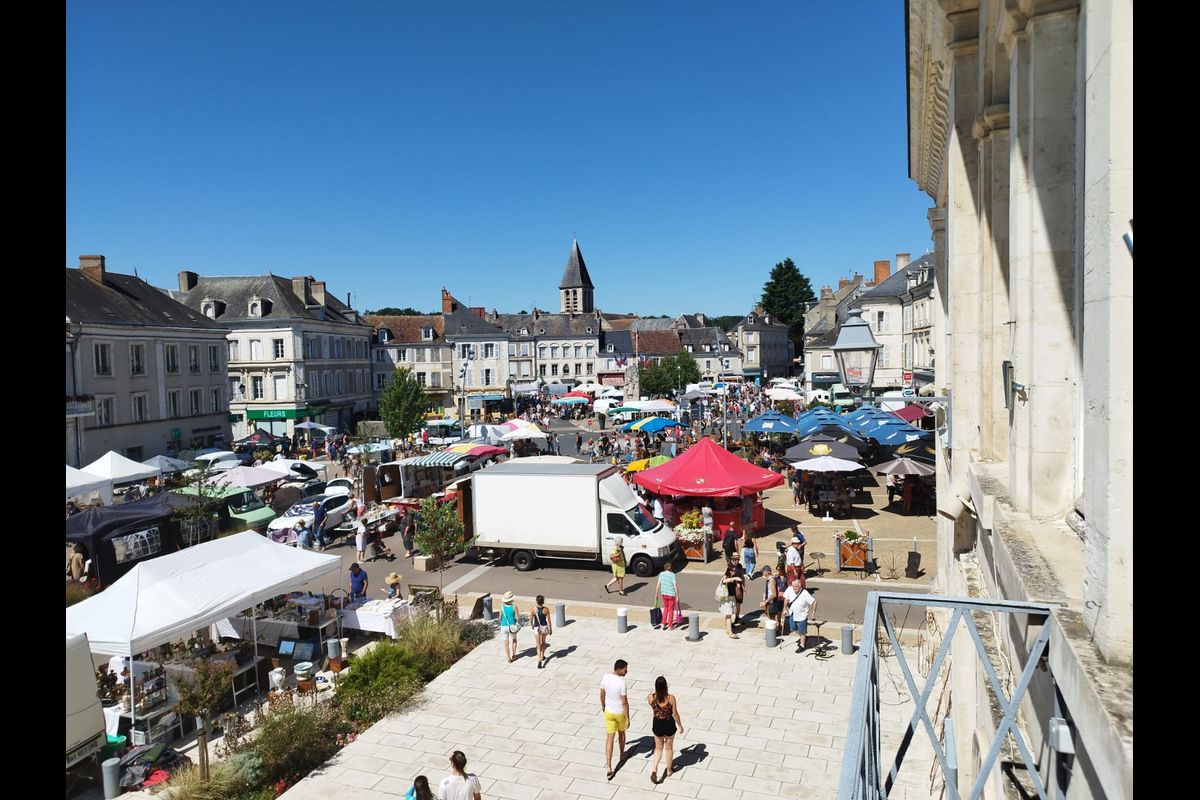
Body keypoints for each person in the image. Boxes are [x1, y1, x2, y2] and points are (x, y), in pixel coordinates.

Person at [647, 676, 684, 784]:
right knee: (669, 748)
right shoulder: (671, 698)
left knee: (658, 748)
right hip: (669, 724)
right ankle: (668, 770)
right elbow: (675, 713)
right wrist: (680, 725)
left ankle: (654, 769)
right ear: (666, 686)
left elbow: (653, 705)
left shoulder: (651, 698)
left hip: (657, 724)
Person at [600, 659, 630, 780]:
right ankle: (622, 754)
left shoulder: (605, 677)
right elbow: (624, 702)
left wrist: (603, 705)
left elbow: (602, 694)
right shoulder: (622, 682)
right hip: (619, 713)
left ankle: (609, 766)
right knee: (621, 734)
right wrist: (628, 717)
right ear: (618, 670)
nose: (626, 671)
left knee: (609, 738)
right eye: (625, 669)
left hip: (608, 712)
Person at [783, 579, 817, 650]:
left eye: (796, 586)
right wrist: (784, 609)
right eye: (793, 586)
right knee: (793, 628)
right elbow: (786, 599)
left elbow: (814, 602)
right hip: (792, 613)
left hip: (802, 615)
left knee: (802, 631)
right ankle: (803, 636)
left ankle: (802, 645)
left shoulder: (805, 593)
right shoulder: (789, 589)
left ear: (800, 586)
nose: (794, 588)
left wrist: (813, 613)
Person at [655, 561, 680, 632]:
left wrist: (656, 594)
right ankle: (670, 625)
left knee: (666, 608)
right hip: (671, 594)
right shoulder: (672, 575)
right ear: (671, 568)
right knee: (671, 609)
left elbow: (658, 584)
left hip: (664, 594)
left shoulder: (661, 574)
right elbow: (675, 585)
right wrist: (677, 595)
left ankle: (663, 623)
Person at [719, 565, 741, 639]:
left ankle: (728, 630)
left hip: (732, 598)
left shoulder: (733, 578)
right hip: (726, 599)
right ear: (729, 571)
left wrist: (738, 585)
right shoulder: (726, 577)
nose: (734, 572)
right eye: (733, 570)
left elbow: (736, 586)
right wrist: (734, 578)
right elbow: (724, 581)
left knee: (729, 614)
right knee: (728, 615)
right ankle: (731, 633)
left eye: (735, 570)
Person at [499, 591, 521, 664]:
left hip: (504, 626)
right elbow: (517, 618)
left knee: (506, 643)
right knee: (514, 640)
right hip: (512, 626)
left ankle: (508, 659)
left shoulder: (502, 607)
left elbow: (500, 617)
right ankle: (514, 655)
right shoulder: (514, 606)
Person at [531, 594, 552, 669]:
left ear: (537, 601)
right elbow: (549, 620)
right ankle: (542, 655)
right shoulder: (546, 609)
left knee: (538, 644)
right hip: (544, 627)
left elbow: (531, 620)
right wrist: (550, 629)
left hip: (537, 627)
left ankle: (539, 659)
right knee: (543, 642)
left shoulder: (533, 609)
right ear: (543, 601)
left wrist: (532, 626)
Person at [761, 565, 785, 630]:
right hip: (769, 602)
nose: (762, 573)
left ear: (767, 572)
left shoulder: (771, 581)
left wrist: (766, 601)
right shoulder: (769, 580)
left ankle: (773, 632)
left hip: (772, 603)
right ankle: (774, 630)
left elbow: (774, 594)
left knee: (772, 619)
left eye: (763, 571)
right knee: (770, 617)